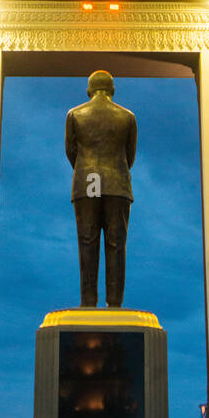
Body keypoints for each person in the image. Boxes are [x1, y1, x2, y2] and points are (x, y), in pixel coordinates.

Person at [65, 71, 137, 308]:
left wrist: (89, 170)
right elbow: (130, 156)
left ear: (89, 91)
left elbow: (71, 152)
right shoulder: (128, 117)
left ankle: (88, 303)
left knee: (87, 243)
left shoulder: (74, 114)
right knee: (116, 245)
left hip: (86, 184)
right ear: (112, 90)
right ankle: (115, 304)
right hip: (117, 185)